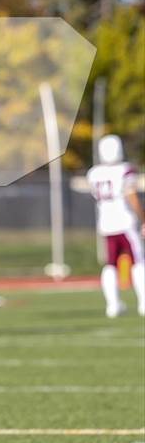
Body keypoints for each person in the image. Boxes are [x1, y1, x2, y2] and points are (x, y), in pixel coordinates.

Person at [86, 135, 144, 318]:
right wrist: (143, 218)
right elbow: (131, 196)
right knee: (138, 261)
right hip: (126, 222)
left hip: (106, 224)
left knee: (110, 264)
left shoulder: (94, 173)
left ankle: (112, 305)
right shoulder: (125, 170)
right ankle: (143, 302)